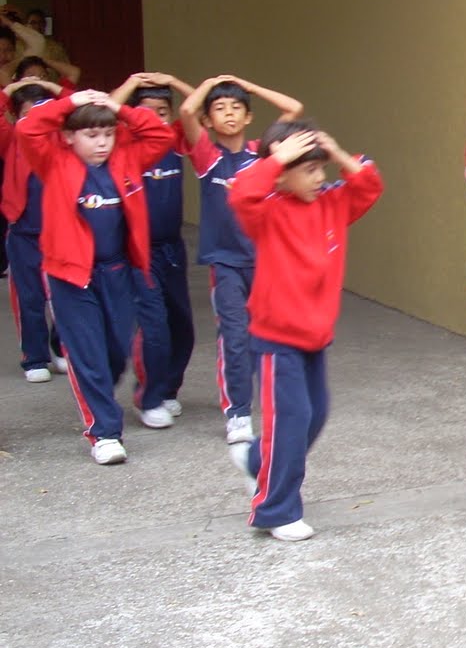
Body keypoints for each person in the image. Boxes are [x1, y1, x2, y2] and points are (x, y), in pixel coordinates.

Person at [226, 121, 383, 541]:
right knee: (291, 420)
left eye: (322, 168)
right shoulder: (267, 210)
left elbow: (369, 188)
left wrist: (337, 152)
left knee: (315, 416)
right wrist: (275, 157)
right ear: (280, 175)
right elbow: (242, 192)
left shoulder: (332, 203)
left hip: (315, 336)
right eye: (308, 170)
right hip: (278, 339)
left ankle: (258, 462)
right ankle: (274, 508)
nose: (320, 177)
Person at [14, 86, 174, 463]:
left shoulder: (127, 158)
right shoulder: (54, 159)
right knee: (87, 354)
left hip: (117, 270)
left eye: (108, 133)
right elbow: (28, 129)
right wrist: (71, 102)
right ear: (69, 136)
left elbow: (161, 134)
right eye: (91, 135)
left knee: (115, 352)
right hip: (70, 275)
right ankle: (104, 433)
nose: (102, 143)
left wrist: (118, 108)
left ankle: (103, 397)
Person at [178, 75, 303, 445]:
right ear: (208, 121)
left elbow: (292, 109)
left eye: (236, 108)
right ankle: (238, 413)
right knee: (234, 338)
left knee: (272, 337)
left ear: (248, 117)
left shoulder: (261, 152)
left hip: (266, 261)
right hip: (227, 263)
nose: (228, 114)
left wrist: (248, 85)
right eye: (219, 108)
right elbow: (186, 109)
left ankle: (279, 403)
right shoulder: (206, 156)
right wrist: (211, 83)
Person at [110, 72, 197, 429]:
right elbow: (109, 107)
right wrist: (130, 83)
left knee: (182, 327)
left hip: (172, 248)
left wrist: (176, 83)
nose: (154, 118)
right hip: (138, 250)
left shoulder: (175, 139)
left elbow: (198, 107)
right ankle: (148, 397)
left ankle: (168, 389)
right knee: (154, 327)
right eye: (145, 111)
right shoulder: (123, 142)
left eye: (162, 111)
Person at [0, 80, 68, 383]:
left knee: (65, 295)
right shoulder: (11, 137)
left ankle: (60, 348)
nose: (35, 122)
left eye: (43, 114)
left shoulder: (62, 139)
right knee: (30, 298)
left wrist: (46, 85)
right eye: (28, 114)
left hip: (59, 231)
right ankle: (35, 357)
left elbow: (78, 103)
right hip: (24, 232)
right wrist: (13, 90)